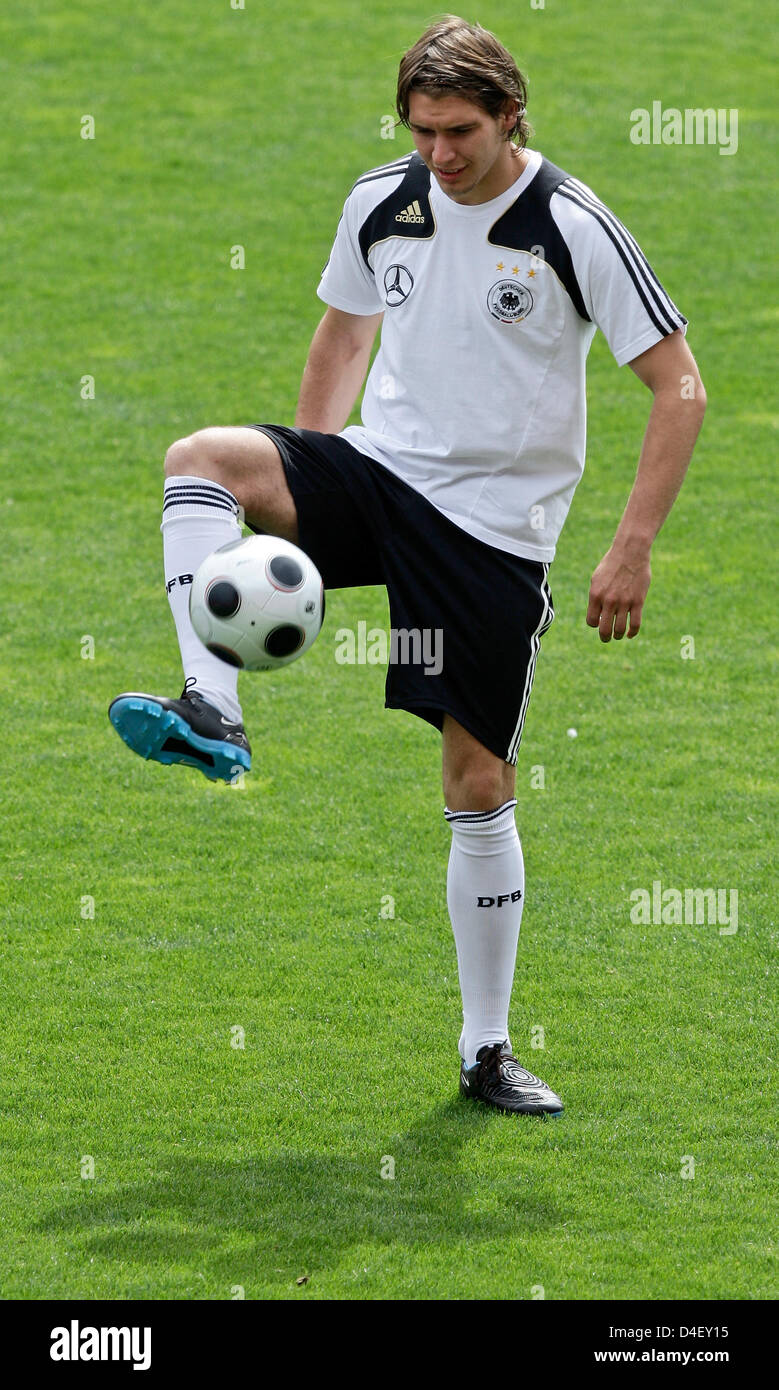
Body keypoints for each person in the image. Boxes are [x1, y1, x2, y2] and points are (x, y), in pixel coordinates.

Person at [109, 16, 706, 1117]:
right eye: (421, 130)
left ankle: (486, 1050)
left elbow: (677, 384)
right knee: (203, 463)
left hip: (489, 528)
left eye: (459, 133)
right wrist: (293, 509)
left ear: (510, 116)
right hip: (378, 473)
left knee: (476, 783)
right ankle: (214, 703)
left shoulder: (566, 223)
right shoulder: (382, 201)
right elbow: (340, 337)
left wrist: (629, 545)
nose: (437, 153)